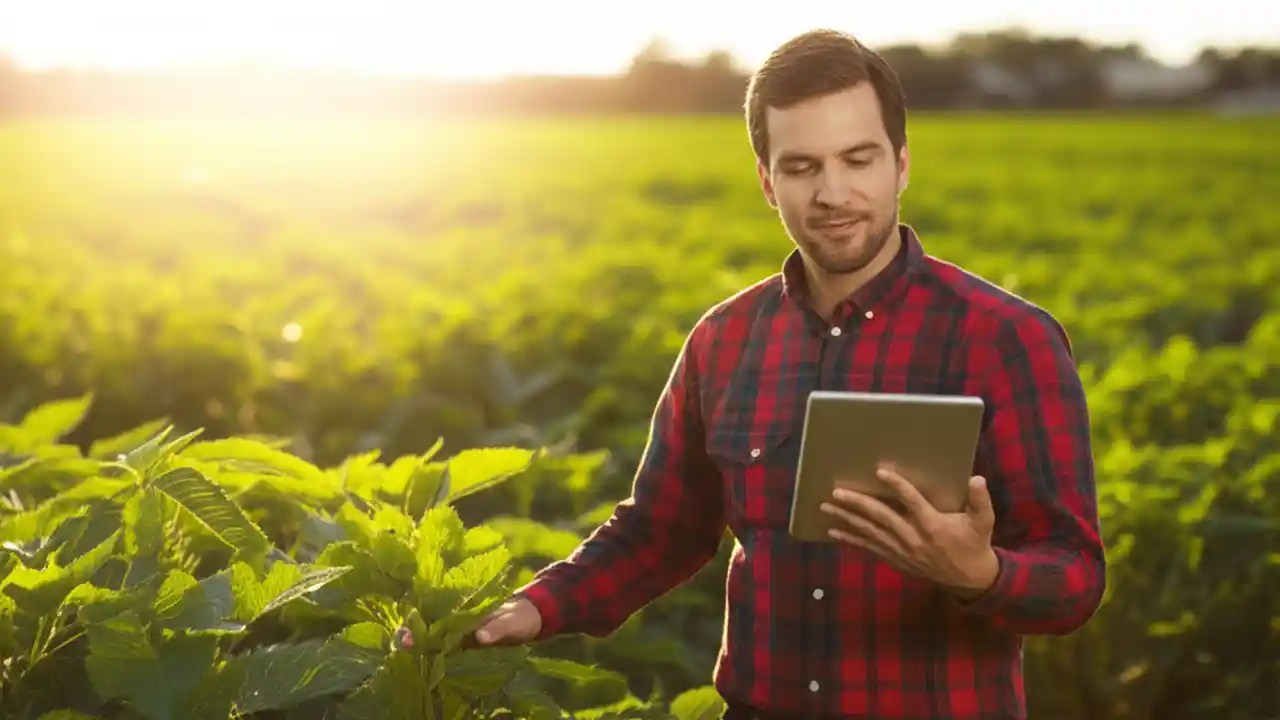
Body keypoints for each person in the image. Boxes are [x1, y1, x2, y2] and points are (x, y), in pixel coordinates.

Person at [473, 28, 1106, 720]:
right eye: (802, 167)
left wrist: (980, 575)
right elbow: (661, 530)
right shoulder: (723, 341)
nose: (833, 193)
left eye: (857, 160)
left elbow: (1074, 576)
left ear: (900, 164)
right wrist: (534, 607)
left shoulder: (1005, 339)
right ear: (768, 183)